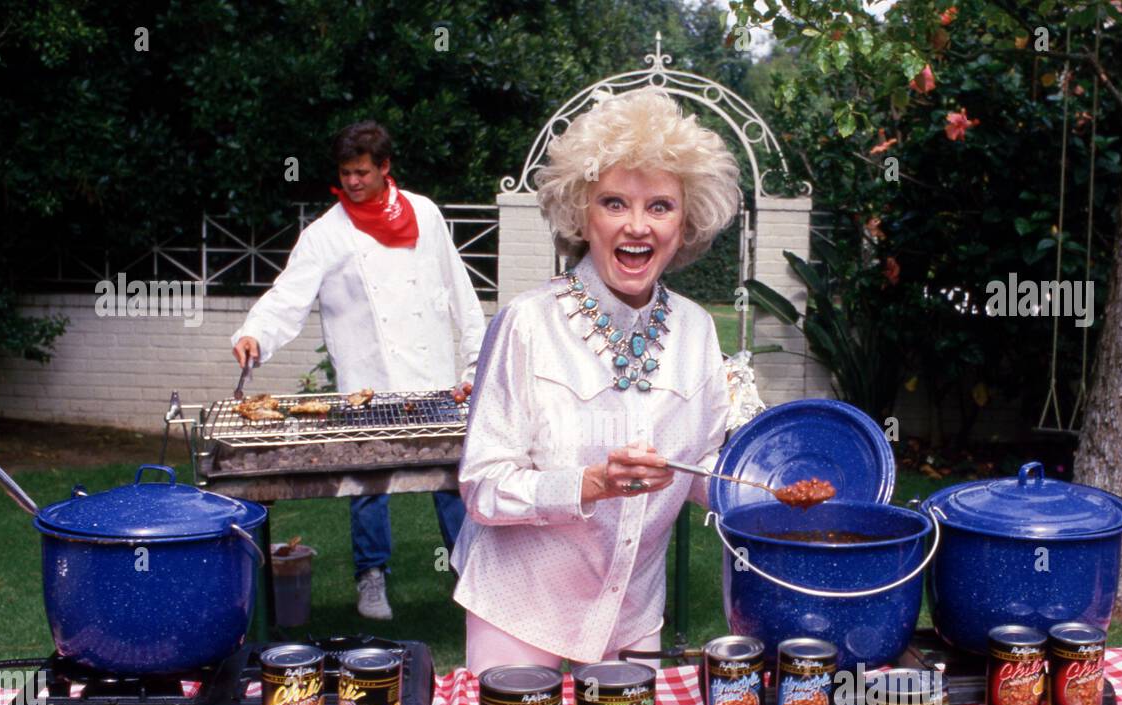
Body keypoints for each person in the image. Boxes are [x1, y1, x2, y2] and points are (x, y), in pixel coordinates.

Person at [451, 89, 740, 673]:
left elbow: (703, 467)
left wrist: (775, 484)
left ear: (686, 223)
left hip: (632, 613)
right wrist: (588, 483)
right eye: (614, 203)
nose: (638, 226)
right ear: (583, 214)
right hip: (521, 607)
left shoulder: (697, 330)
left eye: (660, 206)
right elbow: (482, 487)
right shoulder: (526, 324)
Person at [231, 121, 484, 620]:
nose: (352, 182)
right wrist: (254, 333)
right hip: (367, 384)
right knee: (369, 485)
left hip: (433, 378)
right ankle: (372, 577)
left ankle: (471, 572)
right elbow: (289, 295)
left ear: (385, 168)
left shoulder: (426, 215)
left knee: (454, 481)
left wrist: (475, 359)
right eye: (345, 173)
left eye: (362, 172)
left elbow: (461, 291)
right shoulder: (327, 233)